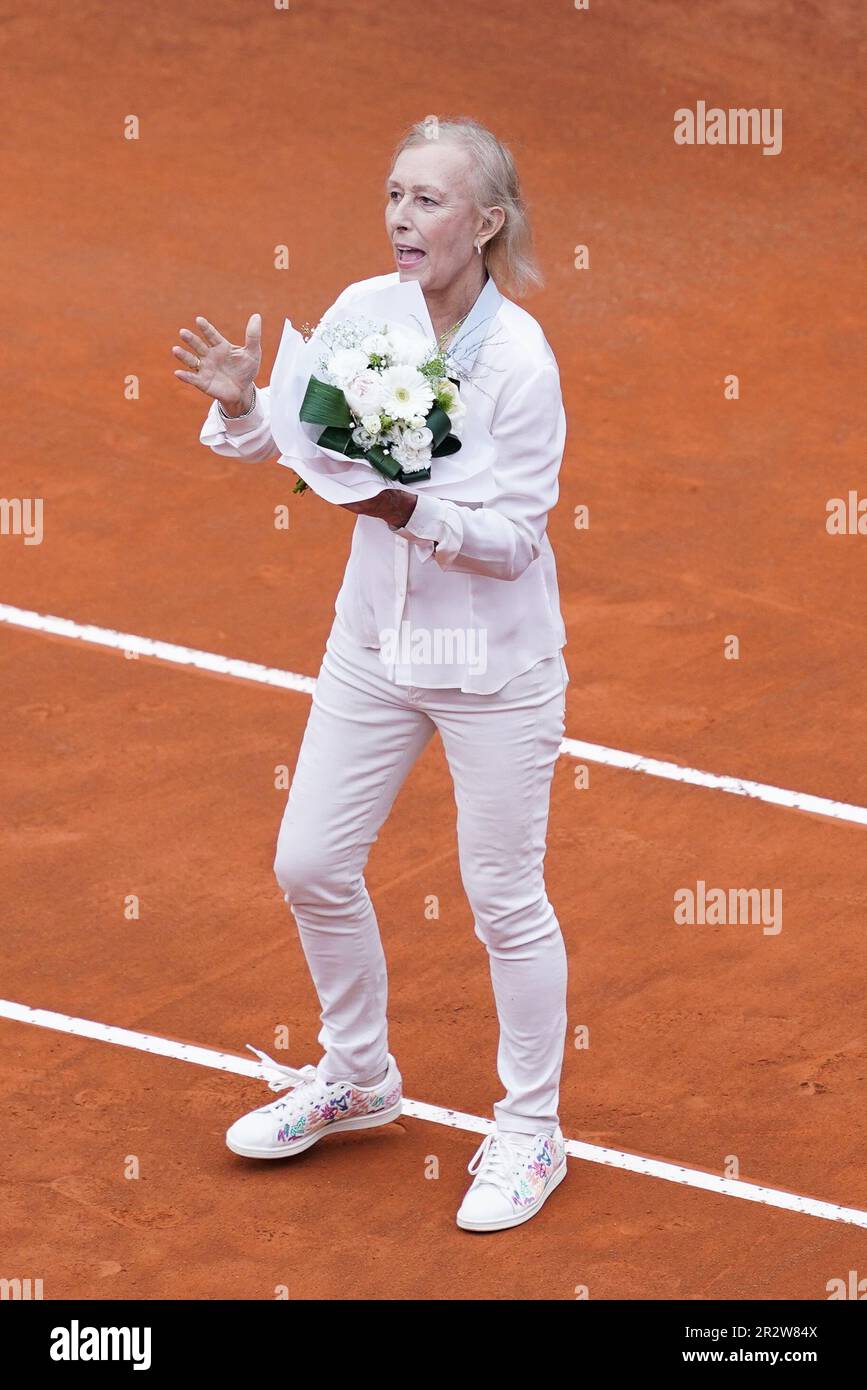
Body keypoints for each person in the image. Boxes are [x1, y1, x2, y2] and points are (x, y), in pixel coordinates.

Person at [172, 116, 571, 1234]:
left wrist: (404, 507)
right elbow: (298, 450)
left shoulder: (520, 364)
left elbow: (516, 542)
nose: (402, 217)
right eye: (394, 194)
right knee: (309, 861)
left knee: (503, 899)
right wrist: (245, 404)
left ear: (486, 224)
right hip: (376, 647)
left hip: (493, 667)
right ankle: (359, 1075)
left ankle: (532, 1130)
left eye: (429, 201)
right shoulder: (360, 313)